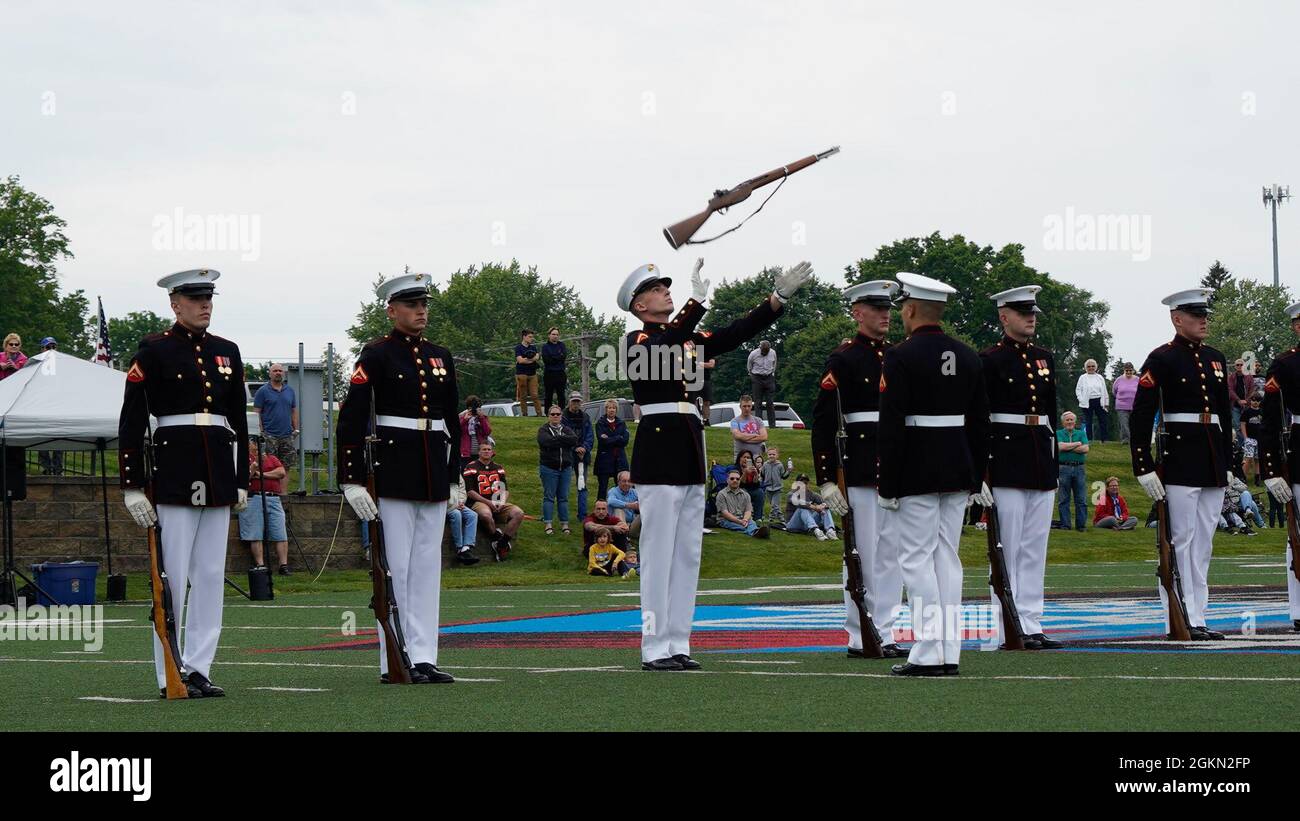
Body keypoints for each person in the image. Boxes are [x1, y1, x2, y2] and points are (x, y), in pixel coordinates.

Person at [618, 256, 811, 671]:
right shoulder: (636, 340)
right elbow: (659, 350)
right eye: (656, 289)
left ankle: (678, 642)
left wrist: (776, 300)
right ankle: (654, 645)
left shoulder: (685, 337)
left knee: (688, 552)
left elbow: (734, 333)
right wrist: (693, 305)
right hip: (659, 446)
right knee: (657, 551)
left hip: (690, 446)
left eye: (666, 287)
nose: (665, 292)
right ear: (638, 306)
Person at [118, 268, 250, 698]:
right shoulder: (154, 350)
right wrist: (133, 484)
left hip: (217, 466)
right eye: (195, 299)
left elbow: (239, 422)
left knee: (211, 574)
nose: (204, 305)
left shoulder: (227, 351)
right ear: (175, 304)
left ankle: (199, 667)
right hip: (174, 467)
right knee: (171, 574)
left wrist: (241, 478)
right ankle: (169, 670)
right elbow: (133, 419)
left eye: (208, 298)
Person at [337, 272, 460, 684]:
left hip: (431, 467)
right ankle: (397, 654)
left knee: (428, 568)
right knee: (396, 569)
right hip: (394, 466)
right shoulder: (376, 355)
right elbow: (352, 417)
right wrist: (351, 478)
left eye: (424, 304)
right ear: (392, 310)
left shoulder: (441, 355)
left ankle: (425, 655)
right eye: (411, 305)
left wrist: (455, 474)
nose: (421, 311)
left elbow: (451, 421)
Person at [877, 272, 989, 676]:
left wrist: (886, 483)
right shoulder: (969, 355)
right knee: (947, 559)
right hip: (958, 464)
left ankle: (927, 650)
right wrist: (976, 476)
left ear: (909, 309)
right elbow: (980, 423)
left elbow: (891, 425)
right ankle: (948, 650)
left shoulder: (900, 356)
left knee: (916, 560)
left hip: (916, 467)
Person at [1129, 287, 1234, 641]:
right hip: (1180, 454)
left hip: (1211, 455)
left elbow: (1224, 415)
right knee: (1180, 539)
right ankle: (1179, 612)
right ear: (1177, 319)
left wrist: (1228, 461)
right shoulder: (1162, 358)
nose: (1203, 320)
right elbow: (1142, 413)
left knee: (1204, 541)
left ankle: (1198, 614)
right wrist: (1143, 463)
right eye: (1195, 315)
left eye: (1205, 314)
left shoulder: (1216, 358)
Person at [812, 280, 908, 658]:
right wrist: (826, 478)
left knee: (892, 556)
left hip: (896, 468)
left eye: (888, 307)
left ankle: (885, 630)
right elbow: (823, 422)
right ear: (857, 312)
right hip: (861, 466)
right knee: (862, 554)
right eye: (876, 307)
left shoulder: (899, 356)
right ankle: (859, 633)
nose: (886, 314)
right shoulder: (844, 358)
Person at [980, 285, 1062, 650]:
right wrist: (981, 471)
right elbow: (979, 419)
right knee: (1007, 547)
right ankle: (1006, 624)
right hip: (1006, 457)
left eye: (1033, 313)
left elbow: (1052, 413)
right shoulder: (989, 360)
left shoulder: (1045, 357)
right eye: (1023, 312)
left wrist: (1054, 459)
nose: (1031, 318)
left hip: (1039, 456)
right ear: (1004, 316)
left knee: (1035, 548)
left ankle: (1031, 622)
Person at [1259, 302, 1300, 631]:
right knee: (1298, 535)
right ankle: (1299, 608)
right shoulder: (1285, 364)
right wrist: (1270, 470)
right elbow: (1270, 422)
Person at [464, 442, 525, 560]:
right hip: (479, 501)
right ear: (479, 452)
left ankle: (501, 543)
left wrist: (501, 502)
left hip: (497, 501)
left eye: (489, 449)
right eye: (484, 449)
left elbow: (505, 490)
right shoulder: (470, 467)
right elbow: (470, 491)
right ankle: (497, 538)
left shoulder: (498, 467)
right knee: (486, 515)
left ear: (492, 452)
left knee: (519, 513)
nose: (487, 451)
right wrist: (489, 503)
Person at [241, 439, 289, 573]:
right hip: (254, 497)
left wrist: (261, 475)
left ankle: (283, 565)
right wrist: (254, 468)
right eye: (253, 442)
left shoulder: (271, 458)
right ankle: (260, 565)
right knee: (255, 533)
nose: (256, 445)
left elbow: (281, 472)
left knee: (280, 532)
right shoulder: (245, 458)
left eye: (258, 443)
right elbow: (246, 477)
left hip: (273, 498)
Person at [537, 404, 578, 535]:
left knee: (563, 497)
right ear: (548, 416)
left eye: (558, 414)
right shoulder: (543, 430)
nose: (555, 416)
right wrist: (563, 440)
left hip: (565, 468)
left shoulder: (566, 428)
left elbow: (574, 440)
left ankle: (564, 524)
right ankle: (548, 524)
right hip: (549, 468)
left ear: (561, 416)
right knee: (549, 497)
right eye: (552, 414)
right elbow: (545, 442)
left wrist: (558, 439)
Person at [253, 362, 299, 470]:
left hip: (287, 436)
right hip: (269, 436)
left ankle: (283, 488)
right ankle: (271, 488)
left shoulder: (290, 391)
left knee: (285, 468)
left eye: (280, 371)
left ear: (283, 373)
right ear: (270, 374)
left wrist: (295, 430)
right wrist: (261, 432)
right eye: (275, 371)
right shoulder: (262, 391)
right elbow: (256, 413)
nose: (278, 373)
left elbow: (293, 411)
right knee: (269, 466)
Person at [561, 391, 594, 520]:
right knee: (565, 487)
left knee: (582, 485)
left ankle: (582, 515)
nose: (576, 403)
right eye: (574, 401)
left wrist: (584, 448)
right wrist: (576, 448)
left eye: (578, 401)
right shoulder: (563, 417)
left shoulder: (585, 417)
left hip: (582, 457)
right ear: (569, 401)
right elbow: (563, 436)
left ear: (581, 402)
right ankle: (563, 516)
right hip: (567, 457)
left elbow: (590, 437)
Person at [1055, 411, 1089, 530]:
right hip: (1063, 467)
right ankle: (1065, 525)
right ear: (1063, 422)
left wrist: (1068, 446)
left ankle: (1081, 525)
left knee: (1081, 499)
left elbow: (1085, 448)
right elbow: (1059, 447)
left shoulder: (1081, 433)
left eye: (1071, 420)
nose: (1069, 422)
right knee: (1063, 498)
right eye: (1067, 420)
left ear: (1075, 422)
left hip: (1079, 468)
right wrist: (1077, 444)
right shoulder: (1058, 433)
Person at [714, 469, 771, 538]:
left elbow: (748, 511)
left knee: (751, 522)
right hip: (726, 520)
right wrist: (739, 521)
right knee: (739, 525)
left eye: (737, 479)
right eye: (732, 478)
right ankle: (756, 532)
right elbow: (725, 513)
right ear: (727, 480)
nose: (735, 480)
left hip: (743, 519)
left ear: (739, 481)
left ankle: (756, 532)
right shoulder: (721, 494)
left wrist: (745, 519)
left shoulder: (745, 494)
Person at [593, 398, 629, 500]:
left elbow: (625, 441)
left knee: (621, 487)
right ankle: (601, 509)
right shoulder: (600, 423)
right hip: (604, 460)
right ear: (606, 409)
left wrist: (610, 438)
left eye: (613, 408)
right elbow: (603, 441)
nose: (611, 410)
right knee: (603, 487)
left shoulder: (621, 423)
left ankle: (622, 509)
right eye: (609, 408)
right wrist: (618, 437)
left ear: (616, 410)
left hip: (619, 460)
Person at [783, 475, 836, 540]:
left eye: (805, 483)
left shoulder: (812, 494)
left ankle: (830, 530)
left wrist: (823, 506)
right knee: (802, 508)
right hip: (793, 525)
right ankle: (816, 531)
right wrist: (815, 507)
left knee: (824, 508)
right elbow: (800, 503)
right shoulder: (791, 494)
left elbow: (827, 502)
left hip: (807, 523)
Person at [446, 474, 480, 565]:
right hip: (444, 506)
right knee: (456, 514)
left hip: (457, 504)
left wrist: (460, 502)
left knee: (472, 515)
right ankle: (459, 548)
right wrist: (453, 505)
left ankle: (466, 548)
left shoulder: (455, 470)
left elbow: (462, 489)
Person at [1075, 358, 1109, 442]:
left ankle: (1104, 439)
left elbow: (1104, 390)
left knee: (1102, 420)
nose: (1091, 368)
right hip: (1087, 401)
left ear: (1096, 367)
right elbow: (1078, 390)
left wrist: (1106, 402)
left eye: (1093, 366)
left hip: (1099, 401)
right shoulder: (1082, 377)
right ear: (1086, 367)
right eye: (1089, 366)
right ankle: (1088, 439)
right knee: (1088, 421)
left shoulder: (1100, 377)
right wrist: (1081, 399)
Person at [747, 339, 778, 429]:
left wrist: (772, 374)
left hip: (769, 378)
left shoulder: (773, 353)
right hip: (757, 378)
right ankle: (759, 426)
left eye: (766, 351)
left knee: (770, 402)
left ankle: (772, 425)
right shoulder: (753, 354)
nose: (764, 353)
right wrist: (753, 376)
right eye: (763, 351)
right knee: (758, 402)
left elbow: (774, 364)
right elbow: (749, 366)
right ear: (760, 348)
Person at [729, 394, 768, 461]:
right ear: (740, 407)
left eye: (748, 406)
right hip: (741, 459)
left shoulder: (758, 420)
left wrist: (744, 438)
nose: (746, 408)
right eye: (744, 406)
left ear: (751, 407)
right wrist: (755, 435)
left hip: (757, 459)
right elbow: (737, 435)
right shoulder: (735, 421)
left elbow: (764, 437)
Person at [606, 469, 642, 540]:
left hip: (631, 525)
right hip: (616, 526)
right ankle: (624, 537)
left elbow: (645, 501)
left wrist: (639, 505)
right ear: (618, 482)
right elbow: (611, 501)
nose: (627, 483)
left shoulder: (634, 492)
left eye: (629, 481)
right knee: (618, 509)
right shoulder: (613, 491)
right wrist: (628, 505)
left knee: (645, 511)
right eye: (624, 481)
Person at [457, 395, 492, 469]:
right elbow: (457, 431)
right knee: (466, 472)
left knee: (480, 472)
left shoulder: (483, 417)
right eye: (471, 408)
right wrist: (464, 420)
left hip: (480, 452)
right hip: (466, 452)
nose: (473, 410)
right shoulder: (461, 416)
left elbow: (487, 432)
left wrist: (481, 418)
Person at [514, 329, 543, 416]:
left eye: (532, 337)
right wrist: (530, 359)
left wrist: (527, 359)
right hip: (521, 373)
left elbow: (537, 357)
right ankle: (525, 414)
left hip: (532, 373)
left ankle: (539, 414)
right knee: (523, 395)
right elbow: (520, 360)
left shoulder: (533, 347)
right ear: (524, 337)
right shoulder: (518, 347)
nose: (531, 339)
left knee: (535, 395)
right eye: (530, 337)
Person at [1228, 358, 1255, 442]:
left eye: (1241, 364)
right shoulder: (1231, 377)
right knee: (1238, 426)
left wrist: (1246, 400)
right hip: (1235, 406)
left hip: (1247, 405)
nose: (1239, 366)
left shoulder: (1249, 377)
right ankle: (1242, 446)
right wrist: (1238, 400)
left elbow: (1252, 390)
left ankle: (1249, 444)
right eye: (1237, 365)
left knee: (1248, 425)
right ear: (1235, 366)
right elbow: (1230, 390)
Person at [541, 327, 568, 413]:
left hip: (560, 373)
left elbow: (563, 357)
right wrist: (557, 357)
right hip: (549, 373)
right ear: (549, 335)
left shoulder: (562, 345)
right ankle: (547, 413)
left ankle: (562, 413)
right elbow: (547, 360)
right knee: (548, 395)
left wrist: (553, 357)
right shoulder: (545, 347)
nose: (555, 336)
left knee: (561, 395)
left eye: (557, 334)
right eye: (553, 334)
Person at [761, 447, 789, 523]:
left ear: (777, 456)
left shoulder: (779, 465)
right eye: (770, 454)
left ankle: (773, 518)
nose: (771, 456)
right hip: (768, 488)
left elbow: (783, 476)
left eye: (773, 454)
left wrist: (789, 471)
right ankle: (778, 518)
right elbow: (762, 474)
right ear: (767, 455)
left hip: (777, 489)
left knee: (774, 505)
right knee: (775, 506)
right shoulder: (765, 465)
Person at [1240, 391, 1263, 484]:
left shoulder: (1262, 412)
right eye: (1253, 400)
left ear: (1260, 402)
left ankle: (1257, 478)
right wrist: (1245, 437)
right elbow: (1242, 424)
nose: (1255, 402)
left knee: (1258, 458)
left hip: (1260, 439)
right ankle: (1242, 477)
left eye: (1257, 400)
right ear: (1250, 401)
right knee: (1248, 458)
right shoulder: (1247, 412)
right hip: (1250, 438)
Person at [1113, 362, 1140, 444]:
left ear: (1133, 370)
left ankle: (1134, 440)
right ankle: (1126, 440)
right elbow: (1114, 391)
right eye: (1127, 370)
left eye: (1130, 370)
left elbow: (1141, 391)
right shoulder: (1119, 380)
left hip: (1134, 405)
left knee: (1134, 424)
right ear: (1124, 370)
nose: (1128, 372)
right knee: (1124, 424)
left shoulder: (1137, 379)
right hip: (1121, 405)